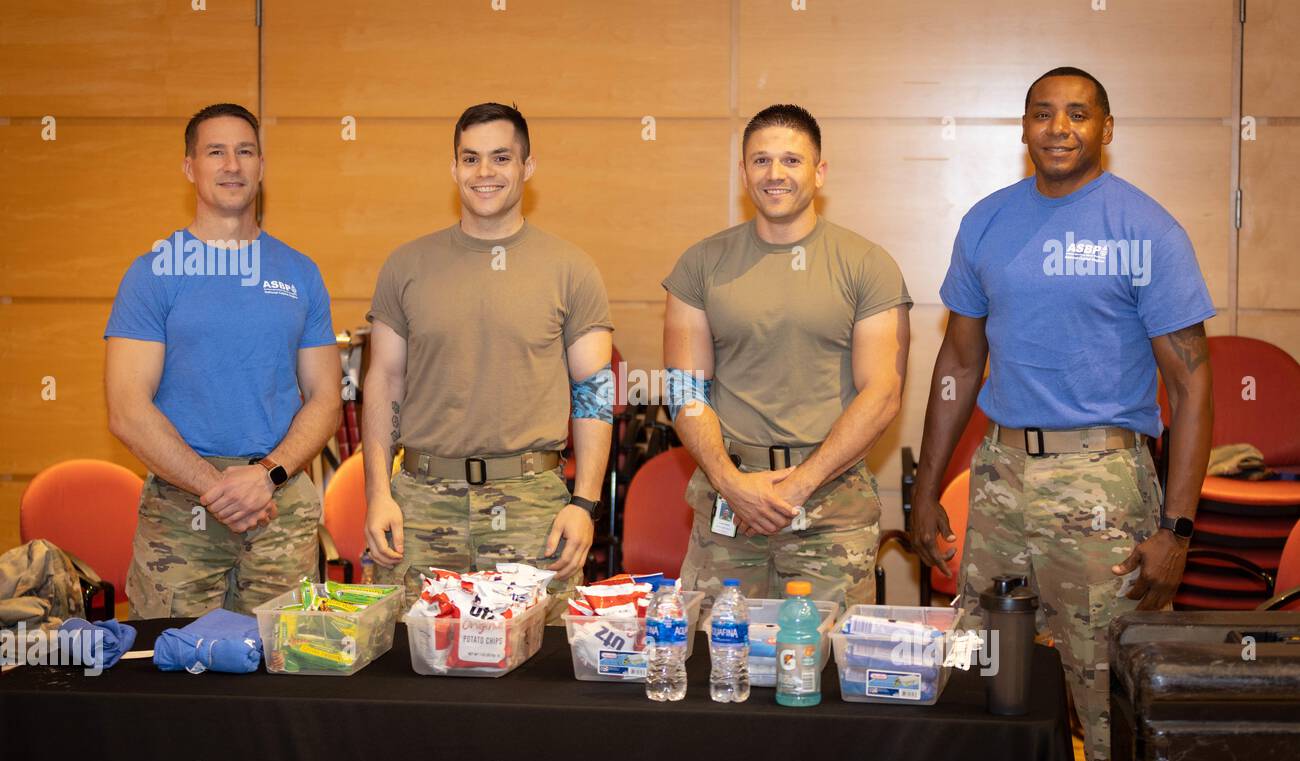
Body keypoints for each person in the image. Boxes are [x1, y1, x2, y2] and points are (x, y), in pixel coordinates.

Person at [911, 68, 1215, 761]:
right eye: (1043, 113)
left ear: (1107, 129)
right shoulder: (985, 221)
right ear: (1023, 128)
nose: (1059, 127)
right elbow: (957, 363)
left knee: (1108, 695)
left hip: (1103, 487)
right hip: (999, 478)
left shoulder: (1146, 230)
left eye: (1078, 113)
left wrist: (1177, 528)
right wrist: (925, 491)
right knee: (989, 684)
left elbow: (1192, 384)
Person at [363, 102, 614, 622]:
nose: (485, 173)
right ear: (454, 168)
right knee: (410, 674)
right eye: (470, 158)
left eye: (501, 158)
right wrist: (378, 494)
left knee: (537, 683)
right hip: (421, 504)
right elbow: (384, 380)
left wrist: (585, 504)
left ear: (527, 166)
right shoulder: (406, 266)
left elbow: (593, 390)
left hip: (533, 506)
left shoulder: (571, 269)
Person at [663, 103, 911, 607]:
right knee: (717, 667)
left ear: (819, 172)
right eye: (761, 161)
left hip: (830, 512)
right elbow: (683, 389)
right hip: (728, 510)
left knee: (824, 670)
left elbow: (882, 394)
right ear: (743, 172)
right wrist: (732, 483)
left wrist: (798, 487)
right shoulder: (701, 264)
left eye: (792, 161)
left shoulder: (868, 265)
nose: (775, 175)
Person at [105, 102, 342, 618]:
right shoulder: (152, 274)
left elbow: (326, 398)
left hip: (278, 500)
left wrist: (265, 477)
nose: (232, 165)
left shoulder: (300, 272)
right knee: (174, 676)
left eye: (245, 151)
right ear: (190, 167)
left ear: (261, 165)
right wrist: (217, 489)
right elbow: (126, 408)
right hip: (182, 510)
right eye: (216, 151)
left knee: (280, 670)